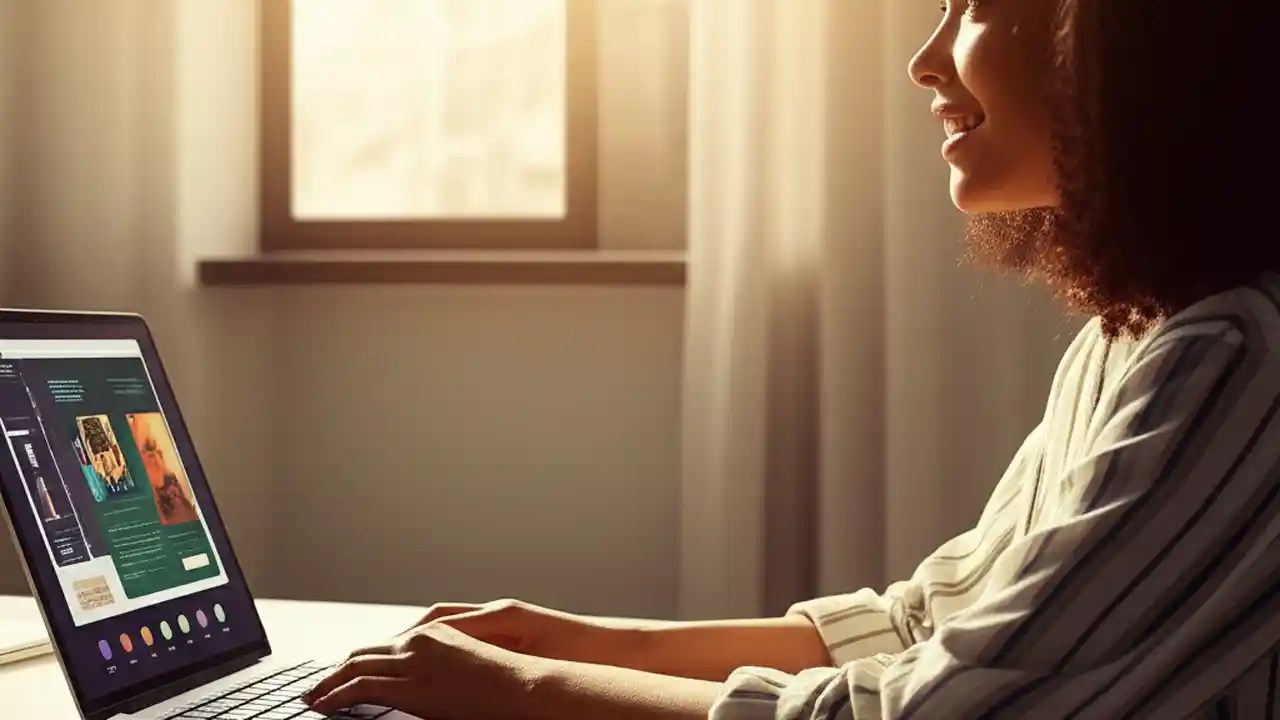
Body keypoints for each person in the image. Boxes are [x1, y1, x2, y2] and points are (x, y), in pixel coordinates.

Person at [303, 0, 1279, 717]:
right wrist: (580, 640)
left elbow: (938, 712)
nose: (924, 62)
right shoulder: (1137, 332)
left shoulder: (1231, 356)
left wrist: (527, 690)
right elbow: (926, 626)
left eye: (971, 9)